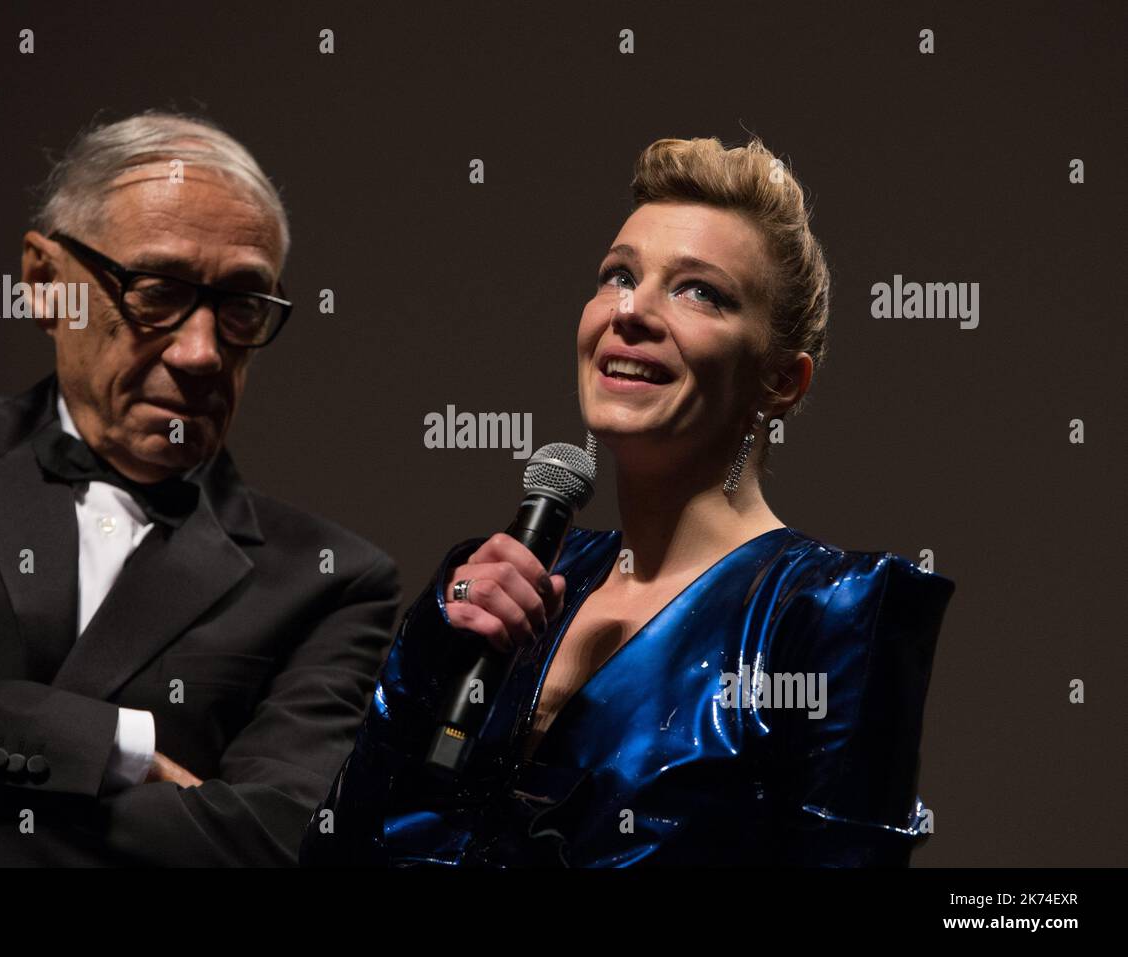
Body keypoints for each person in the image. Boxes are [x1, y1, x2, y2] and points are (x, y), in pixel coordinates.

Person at [300, 135, 955, 867]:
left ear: (781, 381)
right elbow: (334, 853)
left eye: (698, 290)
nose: (631, 311)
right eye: (617, 276)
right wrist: (424, 656)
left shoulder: (829, 616)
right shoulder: (511, 579)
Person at [0, 110, 399, 866]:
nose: (201, 352)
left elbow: (265, 843)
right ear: (42, 282)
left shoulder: (333, 581)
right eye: (157, 290)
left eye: (241, 306)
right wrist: (111, 747)